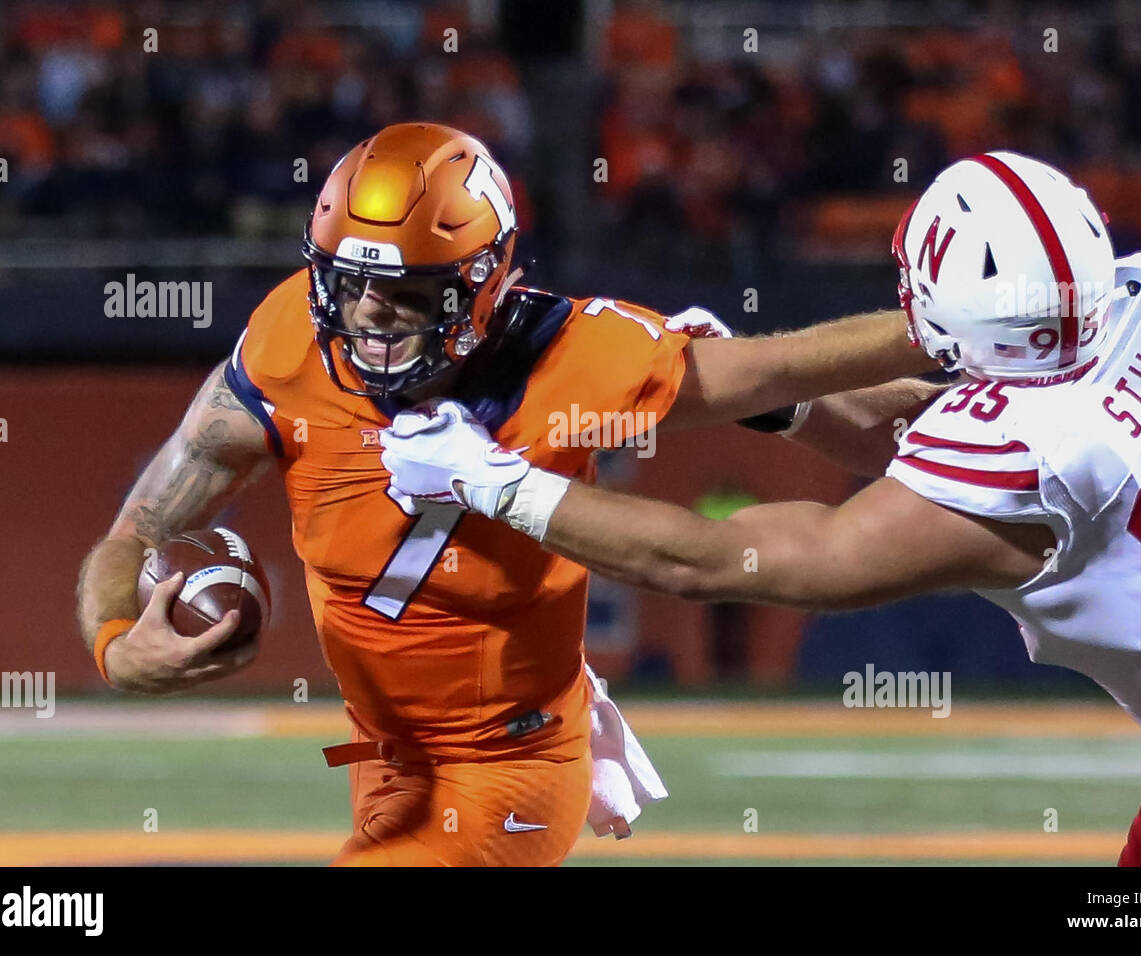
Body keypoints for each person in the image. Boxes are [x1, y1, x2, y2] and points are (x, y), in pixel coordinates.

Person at [76, 122, 936, 866]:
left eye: (407, 291)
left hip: (506, 761)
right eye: (348, 282)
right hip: (385, 752)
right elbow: (137, 529)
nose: (370, 312)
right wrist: (117, 641)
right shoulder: (288, 336)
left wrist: (938, 325)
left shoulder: (578, 357)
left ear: (480, 282)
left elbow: (786, 374)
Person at [380, 150, 1141, 866]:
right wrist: (771, 399)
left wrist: (487, 480)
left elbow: (716, 560)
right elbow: (926, 433)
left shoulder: (1034, 456)